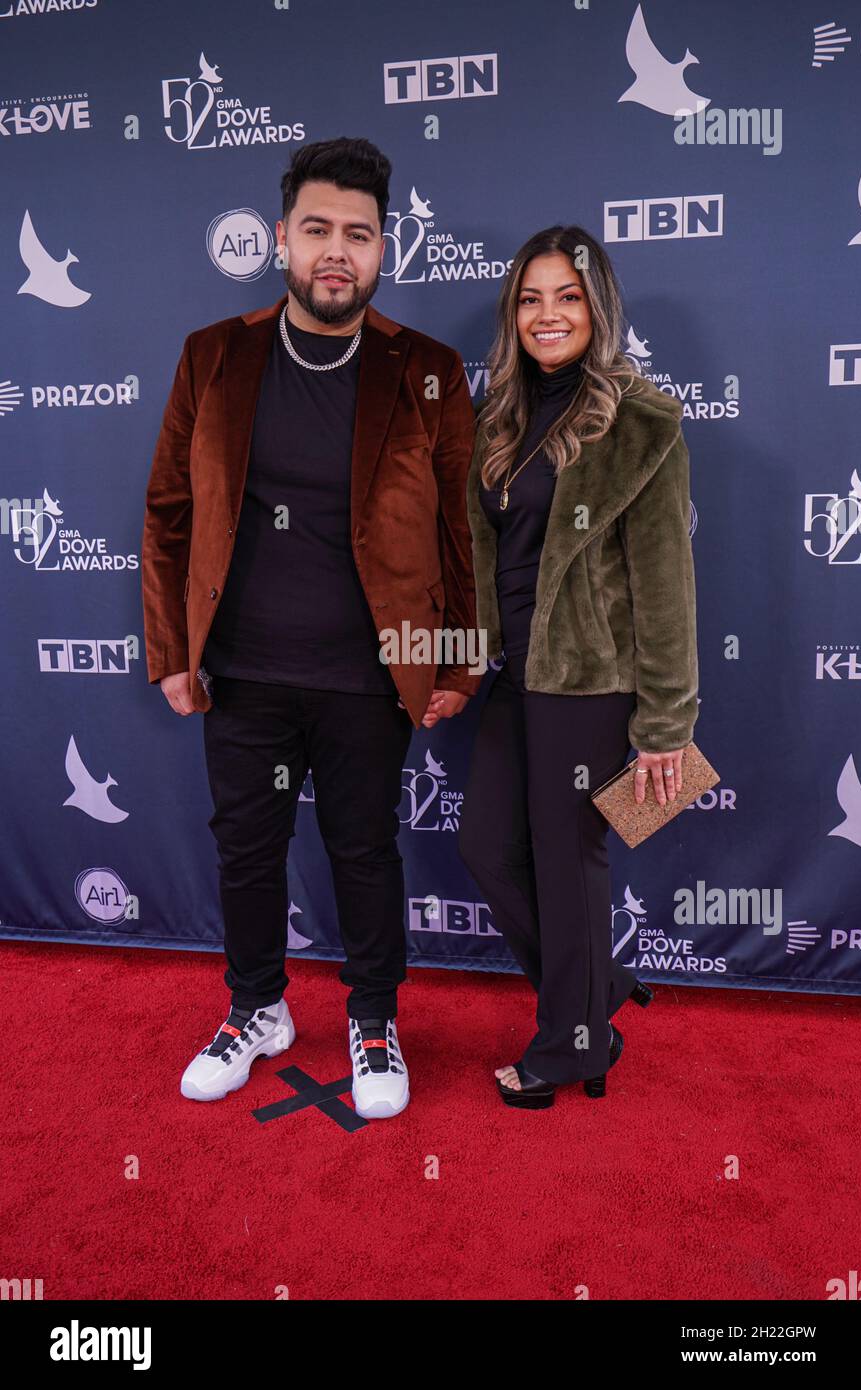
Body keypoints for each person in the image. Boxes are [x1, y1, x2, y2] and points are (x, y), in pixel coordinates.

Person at [141, 137, 481, 1120]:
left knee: (364, 848)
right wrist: (173, 651)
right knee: (244, 849)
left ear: (384, 250)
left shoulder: (420, 369)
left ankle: (372, 1017)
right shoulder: (215, 353)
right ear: (284, 238)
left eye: (360, 235)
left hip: (371, 674)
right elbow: (167, 510)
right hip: (240, 670)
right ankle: (256, 1008)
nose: (339, 252)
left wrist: (452, 656)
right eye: (319, 230)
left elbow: (459, 527)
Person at [457, 224, 699, 1109]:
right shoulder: (498, 418)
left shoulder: (640, 421)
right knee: (485, 847)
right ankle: (593, 995)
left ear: (598, 310)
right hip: (517, 679)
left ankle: (570, 1045)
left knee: (569, 863)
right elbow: (484, 565)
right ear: (512, 313)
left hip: (592, 684)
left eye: (567, 297)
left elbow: (667, 583)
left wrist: (668, 725)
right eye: (531, 298)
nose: (548, 315)